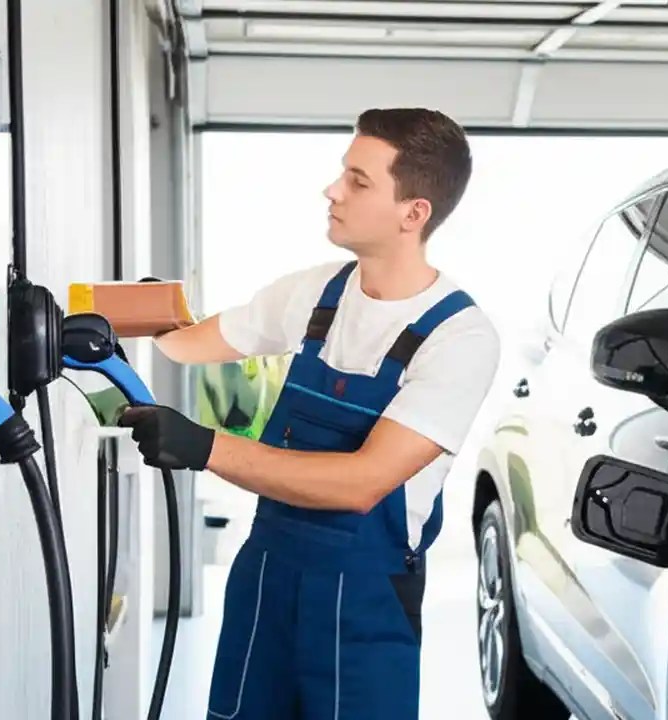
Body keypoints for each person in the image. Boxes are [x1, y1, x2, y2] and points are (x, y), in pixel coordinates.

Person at [117, 107, 501, 719]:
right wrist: (121, 314)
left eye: (358, 180)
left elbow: (361, 485)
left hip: (364, 600)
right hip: (267, 576)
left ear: (414, 212)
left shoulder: (459, 337)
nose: (333, 190)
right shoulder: (316, 293)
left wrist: (204, 447)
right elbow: (191, 341)